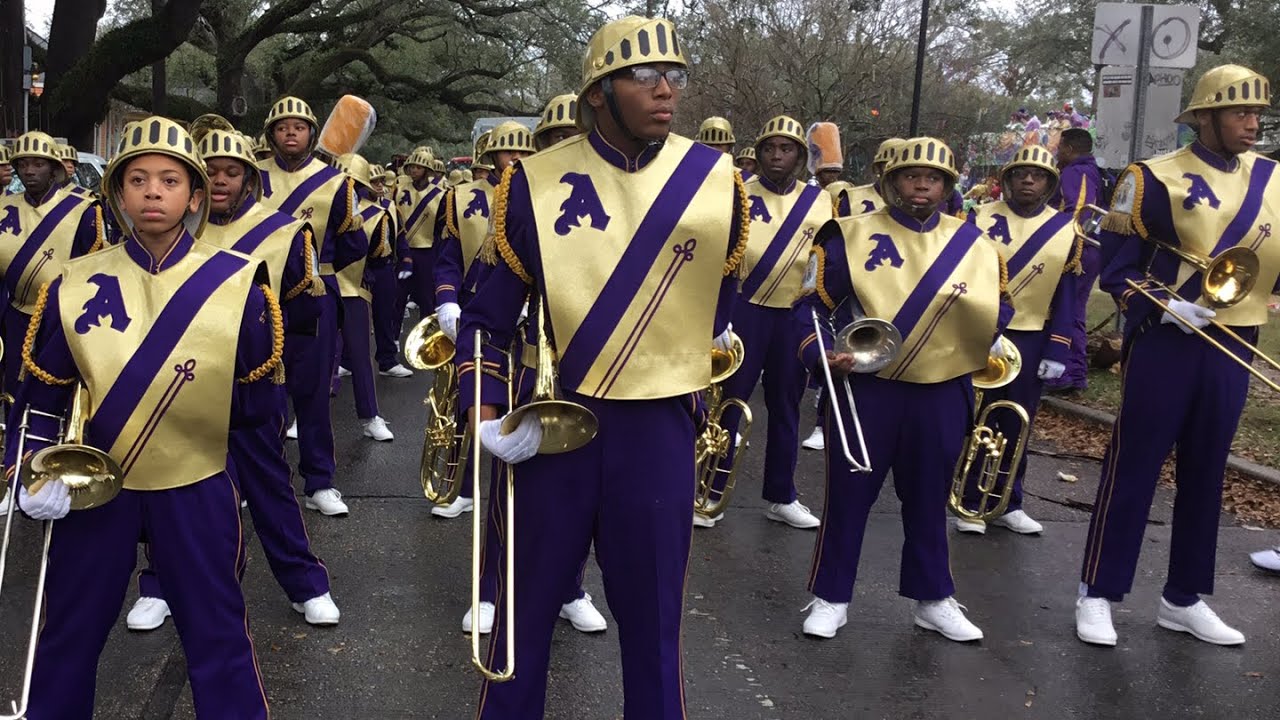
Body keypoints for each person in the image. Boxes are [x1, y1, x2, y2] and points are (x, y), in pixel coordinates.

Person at [459, 15, 745, 718]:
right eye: (645, 76)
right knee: (522, 619)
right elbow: (489, 318)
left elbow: (718, 310)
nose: (665, 90)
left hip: (658, 428)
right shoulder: (531, 181)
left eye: (674, 76)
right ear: (598, 92)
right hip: (555, 424)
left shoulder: (716, 182)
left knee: (654, 627)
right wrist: (488, 416)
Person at [8, 115, 274, 719]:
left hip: (197, 479)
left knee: (218, 635)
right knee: (68, 633)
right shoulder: (72, 282)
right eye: (138, 180)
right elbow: (43, 396)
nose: (153, 192)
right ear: (117, 194)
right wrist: (32, 471)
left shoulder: (238, 280)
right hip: (93, 483)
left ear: (195, 197)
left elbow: (257, 408)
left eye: (170, 180)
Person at [1076, 64, 1278, 648]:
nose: (1253, 124)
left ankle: (1184, 597)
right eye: (1240, 112)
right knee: (1135, 463)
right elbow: (1117, 270)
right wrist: (1164, 305)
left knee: (1208, 469)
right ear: (1206, 116)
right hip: (1166, 337)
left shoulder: (1274, 178)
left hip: (1237, 338)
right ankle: (1097, 591)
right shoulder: (1152, 178)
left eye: (1258, 113)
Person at [795, 136, 1011, 642]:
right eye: (911, 176)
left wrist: (980, 333)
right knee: (849, 495)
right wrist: (820, 355)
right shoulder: (847, 234)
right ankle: (831, 596)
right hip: (870, 387)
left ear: (947, 186)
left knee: (929, 498)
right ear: (891, 181)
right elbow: (811, 307)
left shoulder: (976, 244)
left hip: (942, 388)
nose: (921, 186)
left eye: (933, 178)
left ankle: (933, 597)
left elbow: (1000, 306)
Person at [124, 126, 340, 631]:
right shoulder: (168, 230)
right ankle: (160, 585)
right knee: (169, 488)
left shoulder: (286, 232)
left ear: (249, 178)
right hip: (178, 384)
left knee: (269, 485)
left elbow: (302, 315)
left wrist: (272, 369)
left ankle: (306, 582)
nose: (221, 180)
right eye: (211, 172)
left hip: (249, 382)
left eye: (232, 172)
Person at [462, 92, 606, 637]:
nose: (566, 145)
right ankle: (489, 589)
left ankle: (570, 587)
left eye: (574, 135)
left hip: (601, 373)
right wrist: (483, 405)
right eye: (555, 138)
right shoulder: (522, 202)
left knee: (584, 498)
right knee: (513, 491)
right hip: (531, 365)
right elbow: (491, 301)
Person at [701, 115, 828, 530]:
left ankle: (781, 495)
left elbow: (825, 264)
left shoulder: (821, 201)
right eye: (770, 148)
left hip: (793, 316)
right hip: (744, 309)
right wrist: (718, 315)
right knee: (728, 402)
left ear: (800, 156)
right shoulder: (736, 191)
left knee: (786, 407)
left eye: (786, 149)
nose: (777, 156)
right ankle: (709, 491)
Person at [956, 144, 1082, 536]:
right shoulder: (977, 217)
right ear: (1008, 179)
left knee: (1017, 421)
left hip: (1032, 338)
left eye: (1038, 175)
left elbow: (1068, 296)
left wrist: (1059, 347)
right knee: (974, 419)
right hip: (980, 332)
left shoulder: (1067, 229)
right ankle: (968, 502)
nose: (1029, 180)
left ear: (1049, 184)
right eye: (1021, 174)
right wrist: (979, 328)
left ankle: (1008, 502)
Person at [258, 95, 359, 516]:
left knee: (313, 390)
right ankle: (258, 480)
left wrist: (316, 266)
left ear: (311, 133)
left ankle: (320, 482)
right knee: (255, 390)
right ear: (271, 134)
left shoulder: (335, 181)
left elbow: (354, 243)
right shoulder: (251, 175)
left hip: (312, 295)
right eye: (282, 128)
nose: (290, 134)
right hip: (255, 293)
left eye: (298, 127)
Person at [430, 121, 533, 520]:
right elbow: (448, 258)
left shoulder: (544, 193)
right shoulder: (461, 197)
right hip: (474, 309)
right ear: (491, 156)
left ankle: (519, 492)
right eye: (509, 152)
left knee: (524, 402)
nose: (516, 159)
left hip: (528, 313)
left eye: (525, 152)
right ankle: (463, 485)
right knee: (467, 399)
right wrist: (447, 301)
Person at [332, 152, 394, 441]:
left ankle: (370, 416)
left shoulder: (377, 214)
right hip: (320, 286)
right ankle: (301, 418)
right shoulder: (318, 203)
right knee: (316, 358)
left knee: (359, 356)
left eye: (352, 185)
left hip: (354, 288)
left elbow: (378, 257)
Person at [1044, 126, 1106, 395]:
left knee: (1066, 309)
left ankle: (1065, 374)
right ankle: (1074, 372)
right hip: (1085, 248)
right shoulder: (1092, 171)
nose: (1057, 152)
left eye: (1060, 148)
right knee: (1074, 310)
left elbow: (1078, 210)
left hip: (1077, 249)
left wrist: (1065, 246)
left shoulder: (1076, 172)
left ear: (1069, 149)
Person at [369, 168, 414, 378]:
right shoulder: (353, 207)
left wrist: (406, 260)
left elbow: (400, 236)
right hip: (358, 268)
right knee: (352, 321)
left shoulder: (389, 207)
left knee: (385, 315)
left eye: (381, 181)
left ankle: (387, 360)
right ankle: (346, 361)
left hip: (384, 266)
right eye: (374, 182)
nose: (380, 185)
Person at [394, 147, 443, 325]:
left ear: (427, 170)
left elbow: (440, 229)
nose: (414, 170)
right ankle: (393, 335)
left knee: (427, 298)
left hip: (426, 252)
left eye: (419, 167)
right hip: (402, 250)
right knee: (397, 296)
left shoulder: (439, 194)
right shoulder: (398, 189)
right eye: (412, 167)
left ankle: (426, 334)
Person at [835, 137, 901, 218]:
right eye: (888, 166)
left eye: (901, 169)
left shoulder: (914, 205)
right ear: (877, 168)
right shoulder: (851, 199)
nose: (895, 173)